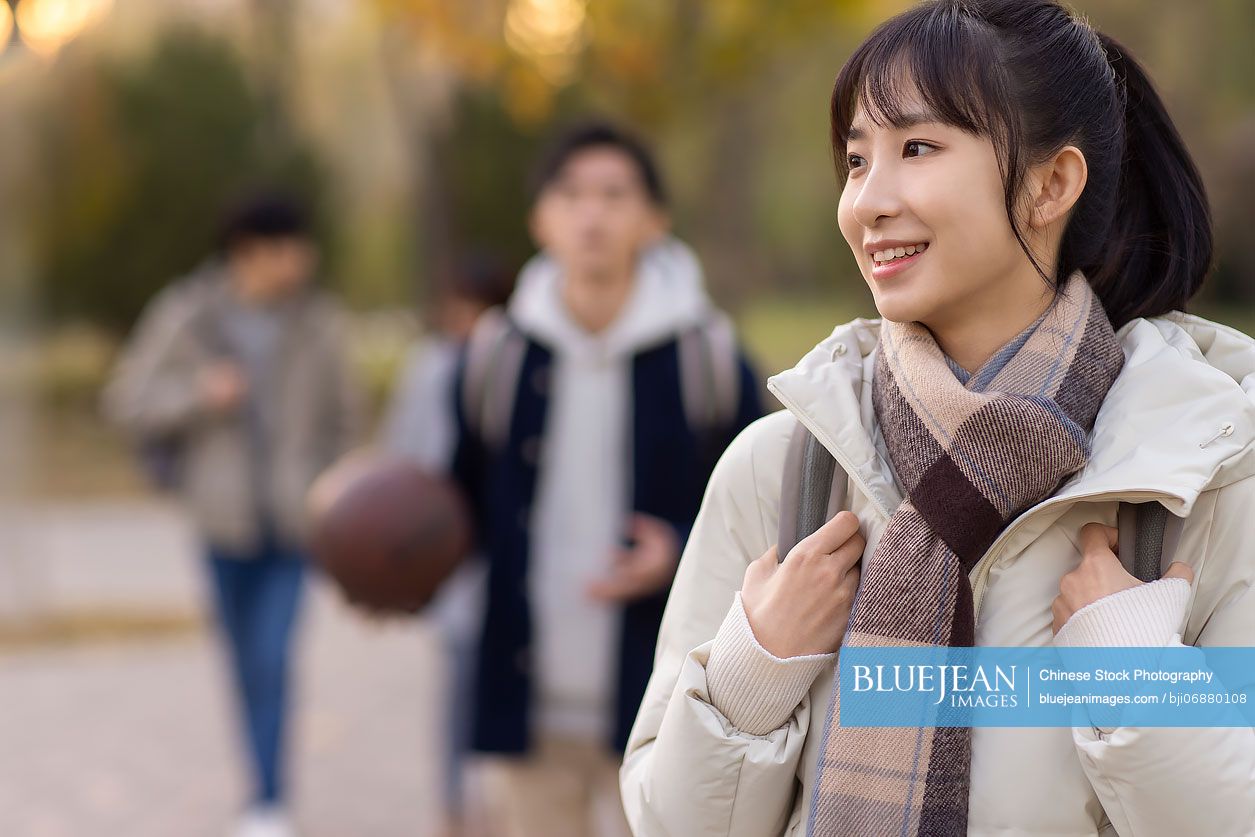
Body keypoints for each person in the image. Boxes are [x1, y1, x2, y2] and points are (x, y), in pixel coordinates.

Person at [621, 2, 1255, 835]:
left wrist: (1134, 674)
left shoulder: (1199, 477)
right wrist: (748, 678)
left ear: (1049, 184)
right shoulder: (784, 472)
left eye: (916, 148)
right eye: (855, 160)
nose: (866, 203)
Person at [448, 121, 763, 837]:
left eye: (614, 194)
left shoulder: (704, 355)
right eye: (570, 194)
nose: (590, 213)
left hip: (664, 706)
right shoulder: (496, 355)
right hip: (525, 706)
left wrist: (678, 551)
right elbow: (458, 506)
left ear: (654, 220)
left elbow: (762, 511)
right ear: (540, 218)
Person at [104, 190, 364, 837]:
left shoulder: (320, 323)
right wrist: (200, 393)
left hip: (292, 524)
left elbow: (346, 420)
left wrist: (329, 486)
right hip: (220, 522)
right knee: (242, 663)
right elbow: (127, 400)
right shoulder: (189, 315)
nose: (302, 258)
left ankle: (270, 800)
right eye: (287, 246)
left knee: (273, 657)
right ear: (248, 251)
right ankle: (260, 788)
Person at [381, 253, 514, 837]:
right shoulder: (429, 368)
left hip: (505, 555)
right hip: (449, 552)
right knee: (458, 687)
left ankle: (498, 806)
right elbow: (403, 452)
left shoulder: (516, 367)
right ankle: (456, 807)